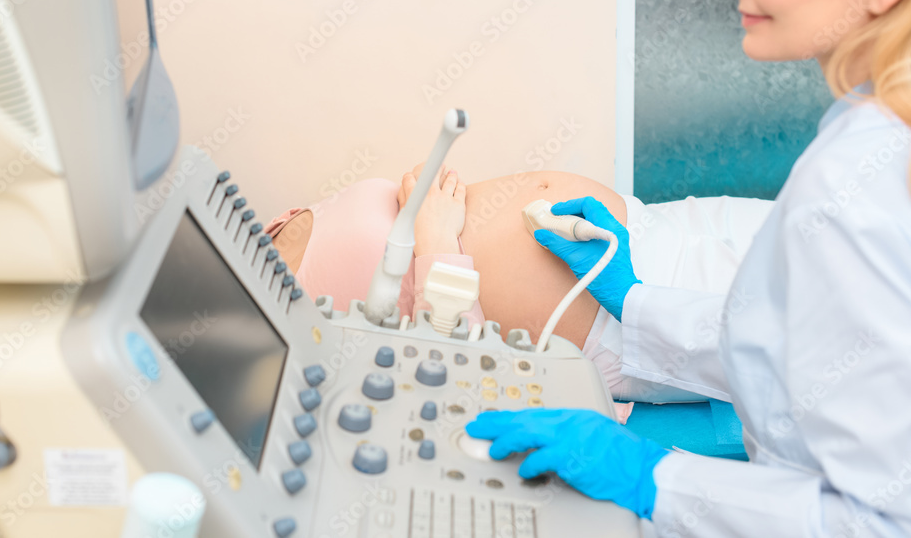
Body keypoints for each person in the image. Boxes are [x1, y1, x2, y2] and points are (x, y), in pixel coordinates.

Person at [465, 0, 911, 534]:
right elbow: (819, 354)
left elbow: (876, 521)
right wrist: (635, 301)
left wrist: (654, 478)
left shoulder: (861, 179)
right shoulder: (870, 129)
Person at [267, 167, 773, 406]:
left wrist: (437, 234)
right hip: (652, 267)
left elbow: (462, 376)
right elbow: (450, 374)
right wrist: (435, 235)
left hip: (647, 264)